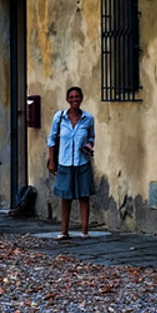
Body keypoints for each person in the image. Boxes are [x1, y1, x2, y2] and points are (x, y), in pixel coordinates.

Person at [46, 85, 96, 239]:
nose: (75, 100)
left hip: (82, 162)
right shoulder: (60, 118)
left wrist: (89, 145)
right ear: (67, 100)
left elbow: (91, 137)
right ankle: (64, 230)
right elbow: (52, 139)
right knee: (65, 196)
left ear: (81, 98)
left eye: (77, 97)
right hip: (65, 161)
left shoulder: (88, 119)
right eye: (72, 97)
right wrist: (52, 161)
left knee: (84, 196)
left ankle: (84, 230)